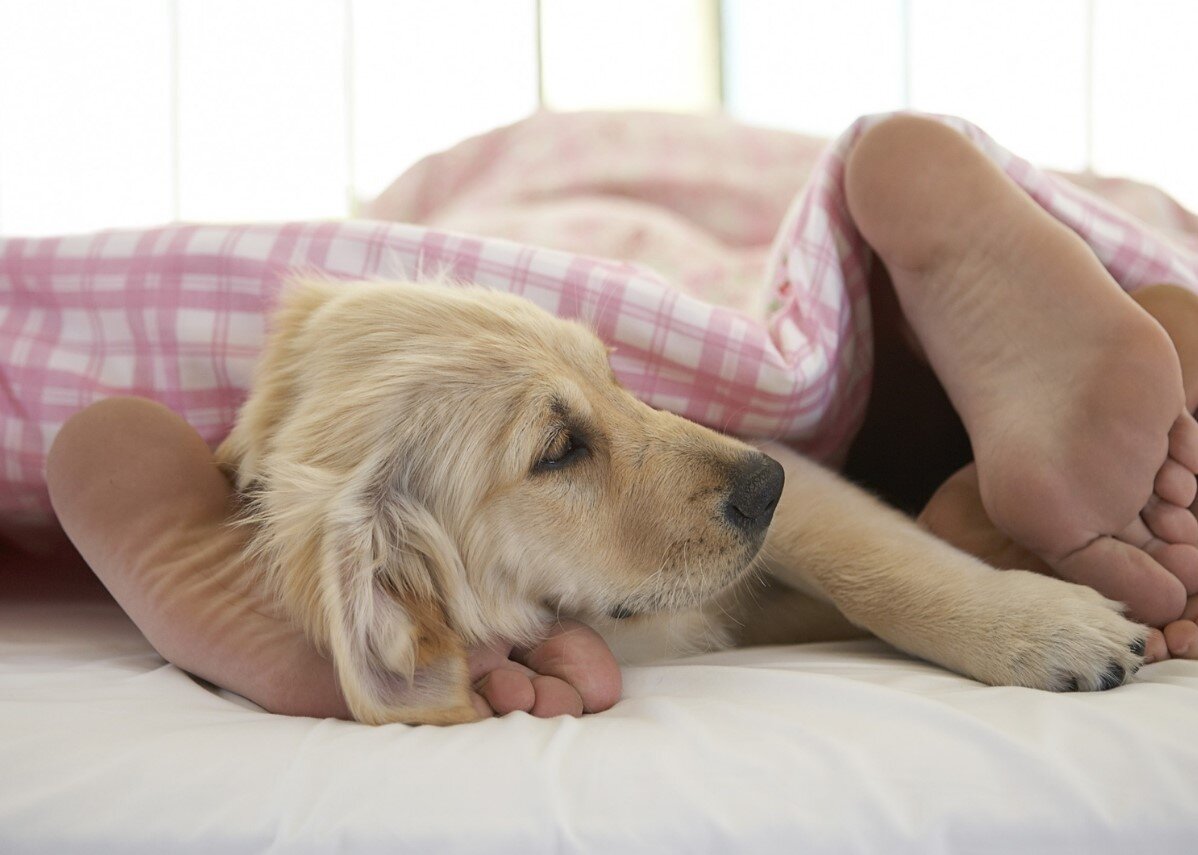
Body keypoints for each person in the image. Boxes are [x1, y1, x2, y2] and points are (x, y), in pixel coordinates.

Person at [15, 113, 1198, 724]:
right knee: (738, 536)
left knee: (770, 403)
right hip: (360, 499)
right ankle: (987, 476)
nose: (718, 462)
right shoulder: (391, 489)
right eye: (562, 449)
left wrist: (959, 613)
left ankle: (944, 307)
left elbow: (757, 456)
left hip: (592, 211)